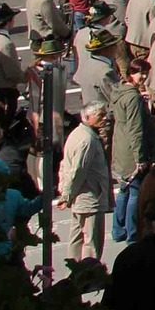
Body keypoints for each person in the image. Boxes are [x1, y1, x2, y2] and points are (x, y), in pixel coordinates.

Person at [57, 100, 113, 264]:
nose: (105, 118)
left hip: (81, 197)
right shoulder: (86, 140)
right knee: (92, 241)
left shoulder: (79, 134)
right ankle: (90, 275)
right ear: (87, 118)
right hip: (89, 197)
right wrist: (67, 195)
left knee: (77, 237)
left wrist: (66, 193)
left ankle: (74, 268)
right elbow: (77, 171)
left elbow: (65, 166)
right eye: (100, 115)